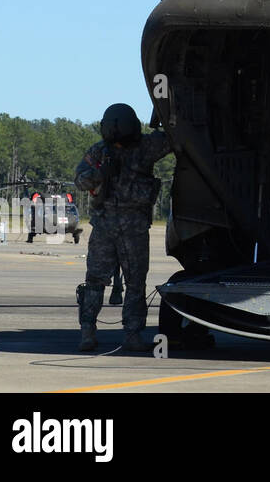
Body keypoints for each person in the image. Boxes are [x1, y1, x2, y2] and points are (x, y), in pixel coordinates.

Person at [73, 103, 172, 353]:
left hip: (120, 228)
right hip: (120, 227)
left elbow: (171, 139)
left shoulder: (139, 148)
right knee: (108, 282)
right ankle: (102, 332)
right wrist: (100, 174)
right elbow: (81, 179)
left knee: (119, 282)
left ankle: (107, 332)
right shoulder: (105, 153)